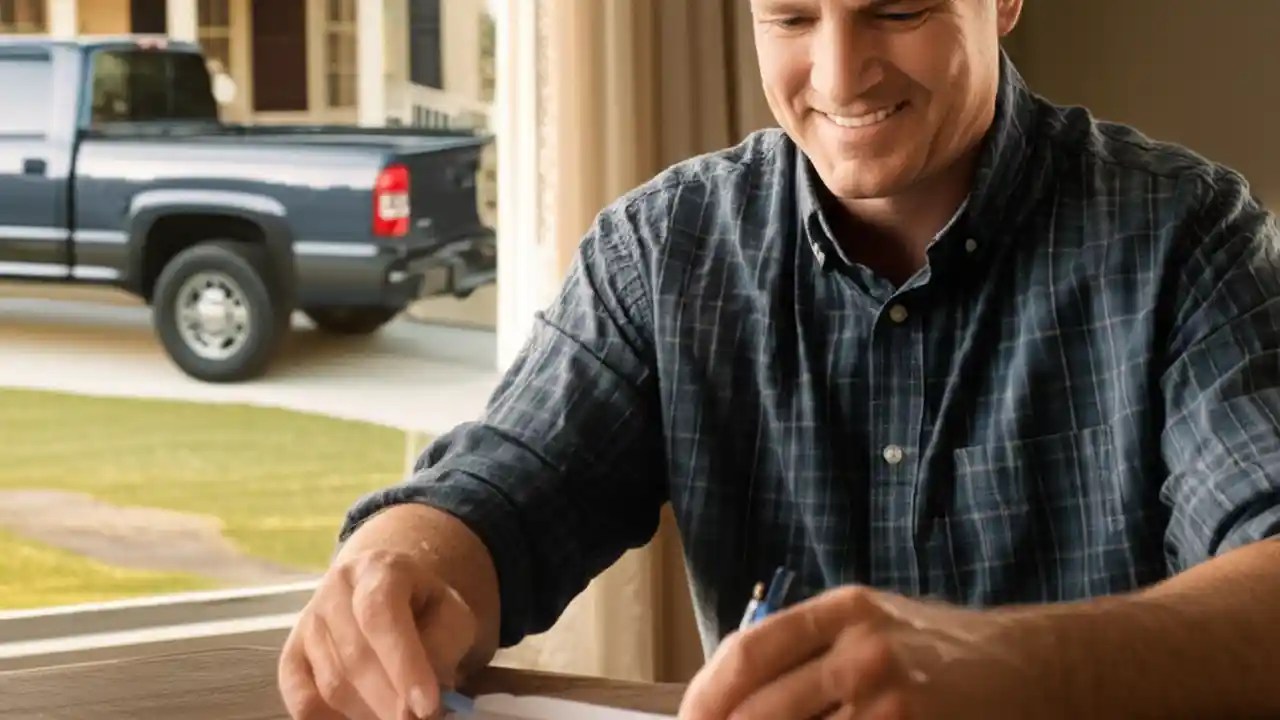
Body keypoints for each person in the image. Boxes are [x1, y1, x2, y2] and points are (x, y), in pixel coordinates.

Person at [278, 0, 1280, 718]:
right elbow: (502, 489)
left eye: (895, 11)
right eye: (792, 18)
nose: (839, 77)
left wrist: (1016, 671)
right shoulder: (663, 250)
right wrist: (396, 568)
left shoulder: (1185, 236)